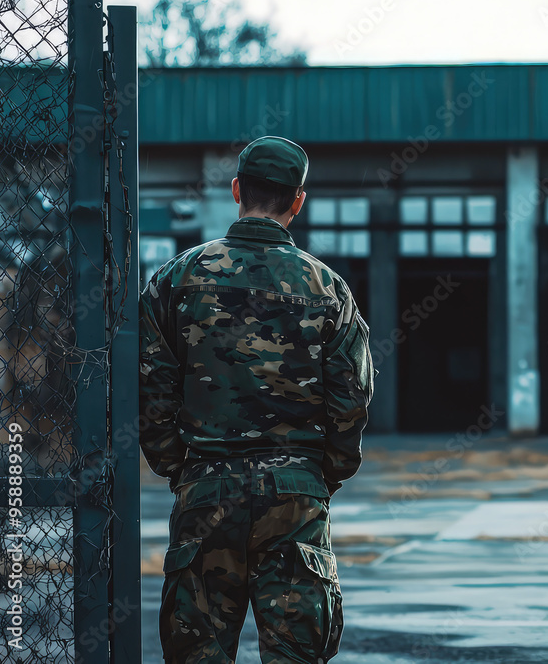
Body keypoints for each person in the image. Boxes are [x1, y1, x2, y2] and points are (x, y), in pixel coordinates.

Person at [139, 136, 374, 663]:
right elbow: (352, 398)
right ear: (298, 200)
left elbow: (150, 388)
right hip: (295, 499)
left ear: (236, 190)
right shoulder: (328, 288)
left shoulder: (176, 280)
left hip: (205, 490)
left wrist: (181, 469)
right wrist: (319, 475)